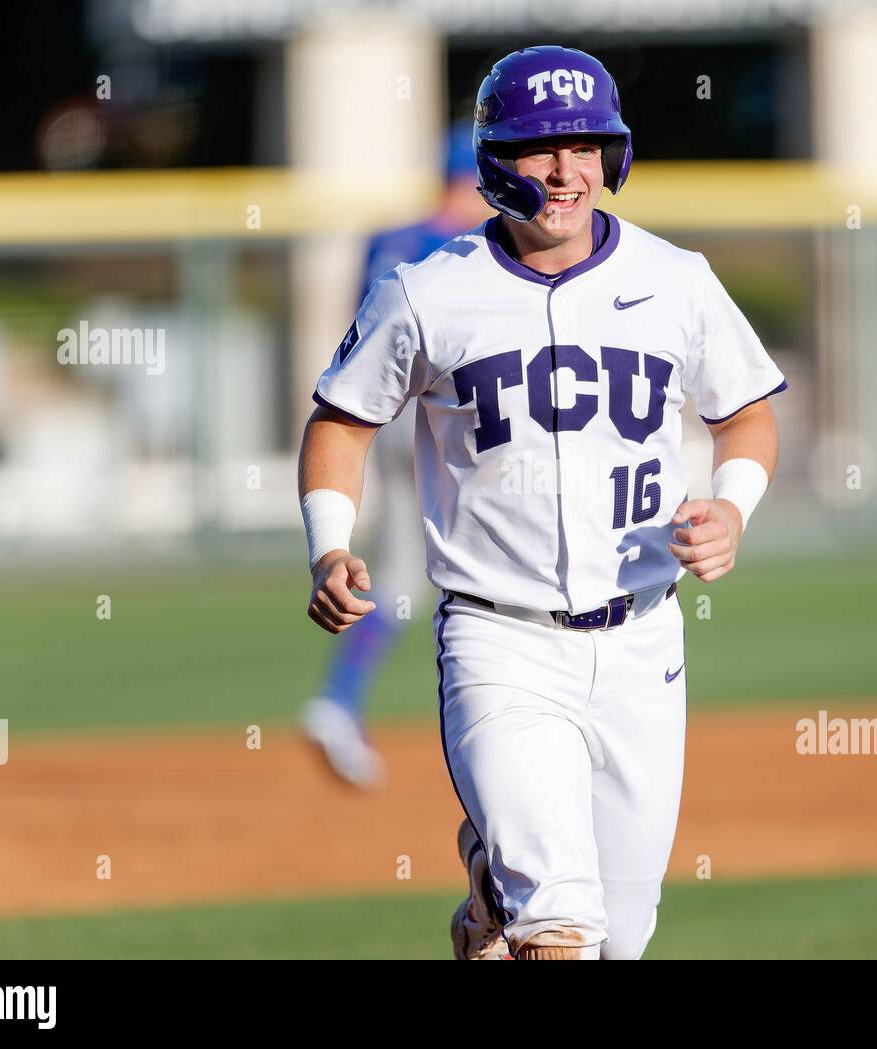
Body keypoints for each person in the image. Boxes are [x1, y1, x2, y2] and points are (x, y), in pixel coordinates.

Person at [298, 45, 784, 960]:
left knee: (620, 939)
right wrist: (330, 544)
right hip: (500, 639)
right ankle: (521, 904)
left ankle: (489, 900)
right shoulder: (427, 291)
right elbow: (341, 421)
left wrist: (734, 506)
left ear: (614, 154)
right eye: (539, 148)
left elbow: (747, 411)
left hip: (643, 638)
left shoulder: (676, 278)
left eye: (585, 144)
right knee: (564, 924)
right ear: (493, 162)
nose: (565, 170)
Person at [300, 122, 491, 788]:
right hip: (448, 415)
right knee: (461, 574)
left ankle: (342, 701)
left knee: (411, 570)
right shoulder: (472, 245)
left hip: (384, 414)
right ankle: (342, 702)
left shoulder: (390, 236)